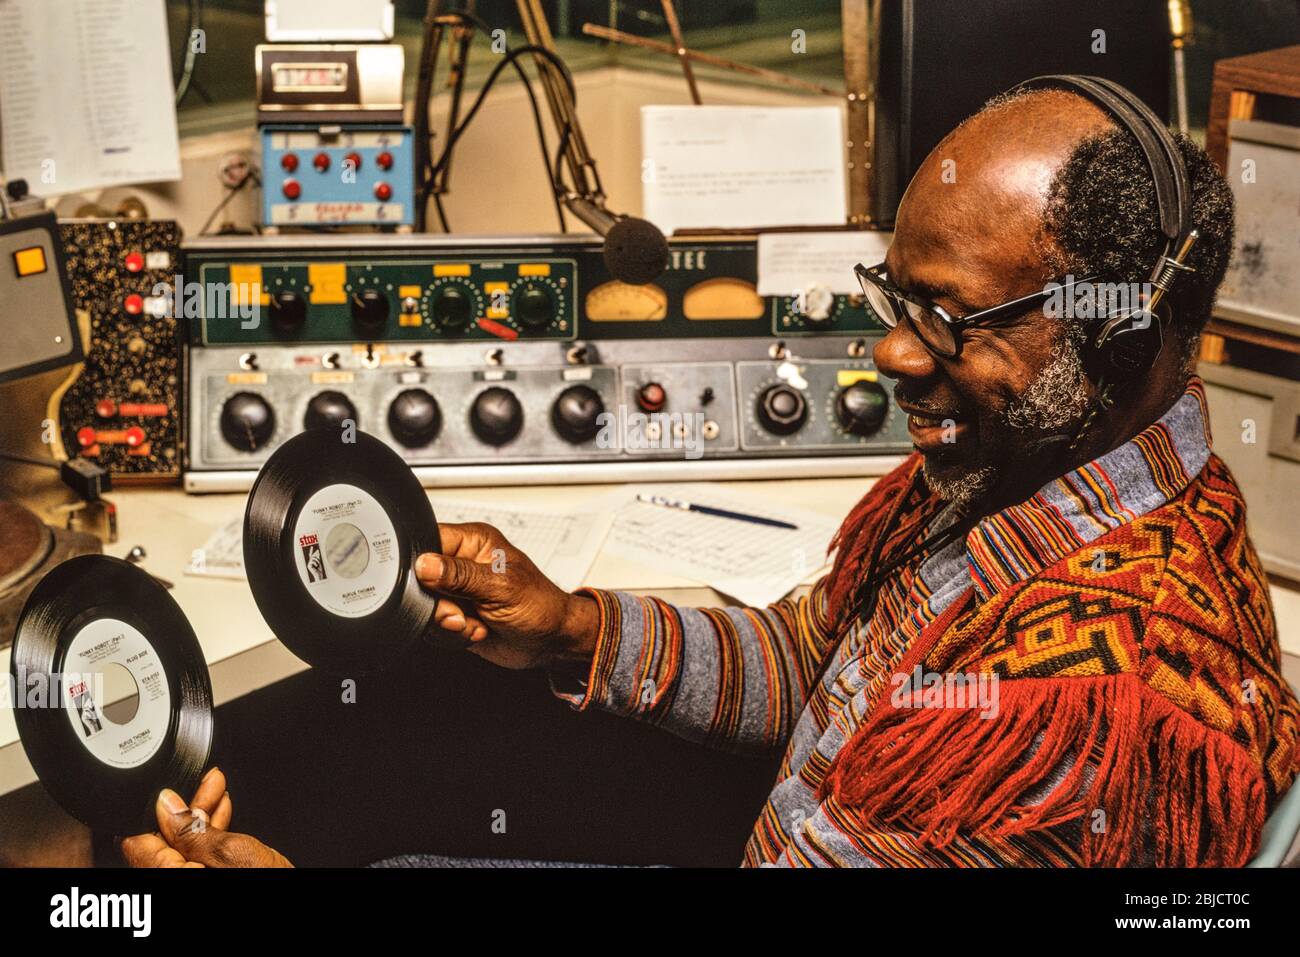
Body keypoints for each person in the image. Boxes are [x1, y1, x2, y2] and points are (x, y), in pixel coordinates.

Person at [124, 79, 1300, 869]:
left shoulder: (1091, 712)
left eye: (946, 318)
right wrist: (576, 630)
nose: (892, 351)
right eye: (894, 297)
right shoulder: (1026, 467)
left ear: (1119, 332)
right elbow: (815, 659)